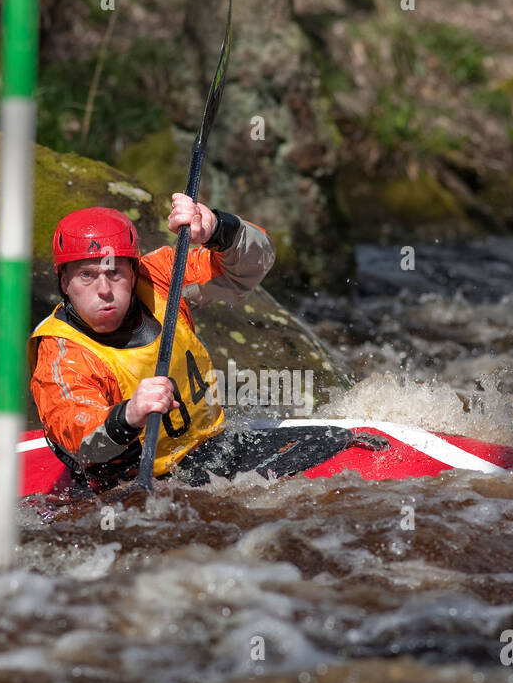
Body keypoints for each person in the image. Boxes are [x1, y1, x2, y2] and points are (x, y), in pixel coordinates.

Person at [29, 196, 356, 493]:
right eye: (87, 275)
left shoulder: (159, 278)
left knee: (339, 441)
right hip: (134, 482)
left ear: (133, 271)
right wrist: (129, 414)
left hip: (214, 449)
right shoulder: (62, 352)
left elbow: (253, 267)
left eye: (115, 272)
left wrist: (218, 228)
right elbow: (79, 439)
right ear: (64, 282)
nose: (104, 289)